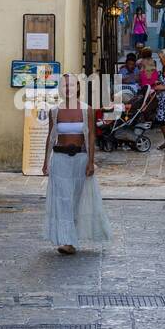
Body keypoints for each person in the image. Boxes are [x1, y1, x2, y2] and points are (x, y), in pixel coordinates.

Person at [42, 74, 112, 255]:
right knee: (63, 200)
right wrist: (45, 162)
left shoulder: (86, 110)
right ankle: (67, 241)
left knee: (75, 200)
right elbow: (51, 137)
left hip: (80, 160)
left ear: (78, 88)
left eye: (71, 85)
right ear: (60, 88)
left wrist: (91, 162)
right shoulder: (55, 111)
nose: (68, 88)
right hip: (60, 160)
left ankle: (72, 237)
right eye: (64, 85)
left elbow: (90, 136)